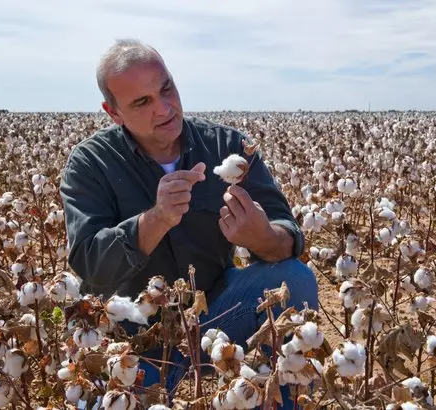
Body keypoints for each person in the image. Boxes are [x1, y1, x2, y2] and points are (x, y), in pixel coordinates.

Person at [59, 39, 318, 407]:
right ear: (113, 112)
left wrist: (262, 237)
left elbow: (286, 237)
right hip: (131, 341)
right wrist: (155, 220)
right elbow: (89, 261)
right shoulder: (91, 164)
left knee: (294, 279)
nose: (164, 108)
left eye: (166, 89)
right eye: (142, 102)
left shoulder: (227, 147)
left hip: (217, 318)